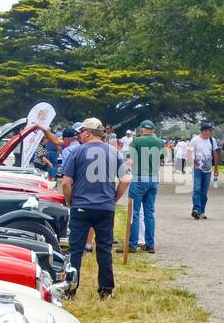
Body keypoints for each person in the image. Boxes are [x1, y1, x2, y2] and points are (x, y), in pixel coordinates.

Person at [61, 118, 129, 300]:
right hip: (105, 207)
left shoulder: (77, 152)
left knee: (75, 250)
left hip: (81, 205)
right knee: (104, 249)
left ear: (88, 133)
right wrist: (113, 198)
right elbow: (125, 180)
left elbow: (66, 183)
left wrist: (70, 202)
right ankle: (106, 290)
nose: (79, 135)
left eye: (81, 132)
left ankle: (70, 289)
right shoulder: (114, 152)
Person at [127, 120, 165, 253]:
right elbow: (162, 158)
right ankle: (150, 244)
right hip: (153, 180)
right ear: (153, 129)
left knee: (135, 213)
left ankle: (133, 244)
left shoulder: (136, 141)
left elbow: (129, 160)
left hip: (138, 179)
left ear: (142, 129)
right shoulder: (160, 142)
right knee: (149, 213)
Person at [187, 123, 217, 219]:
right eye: (210, 130)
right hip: (197, 169)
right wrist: (193, 163)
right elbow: (189, 153)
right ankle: (196, 209)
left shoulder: (212, 140)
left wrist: (216, 167)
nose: (211, 132)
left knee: (204, 192)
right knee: (197, 189)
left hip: (208, 170)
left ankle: (201, 211)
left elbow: (215, 153)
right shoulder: (195, 140)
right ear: (204, 131)